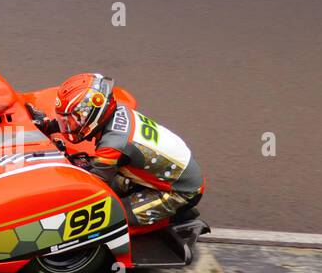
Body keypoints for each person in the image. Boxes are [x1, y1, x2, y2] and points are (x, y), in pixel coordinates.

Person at [44, 72, 204, 227]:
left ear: (90, 115)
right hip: (168, 169)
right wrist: (49, 125)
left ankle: (173, 216)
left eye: (70, 119)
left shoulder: (113, 146)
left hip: (182, 191)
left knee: (110, 216)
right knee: (95, 172)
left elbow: (94, 188)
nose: (66, 125)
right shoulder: (118, 110)